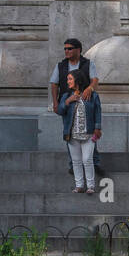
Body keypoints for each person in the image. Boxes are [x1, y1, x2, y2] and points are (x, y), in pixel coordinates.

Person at [49, 39, 101, 177]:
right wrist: (55, 103)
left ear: (78, 49)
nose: (66, 51)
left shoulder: (88, 63)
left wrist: (89, 88)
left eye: (70, 48)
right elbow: (54, 84)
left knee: (90, 133)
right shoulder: (61, 66)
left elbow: (95, 80)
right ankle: (74, 164)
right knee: (69, 133)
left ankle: (95, 163)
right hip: (68, 103)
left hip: (86, 103)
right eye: (65, 48)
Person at [58, 72, 101, 194]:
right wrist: (68, 101)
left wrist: (98, 128)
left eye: (70, 79)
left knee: (87, 159)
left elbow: (97, 112)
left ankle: (90, 186)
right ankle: (79, 186)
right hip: (72, 135)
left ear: (77, 80)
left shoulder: (93, 95)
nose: (68, 81)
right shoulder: (66, 95)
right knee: (76, 161)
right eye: (67, 79)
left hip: (88, 133)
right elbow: (60, 111)